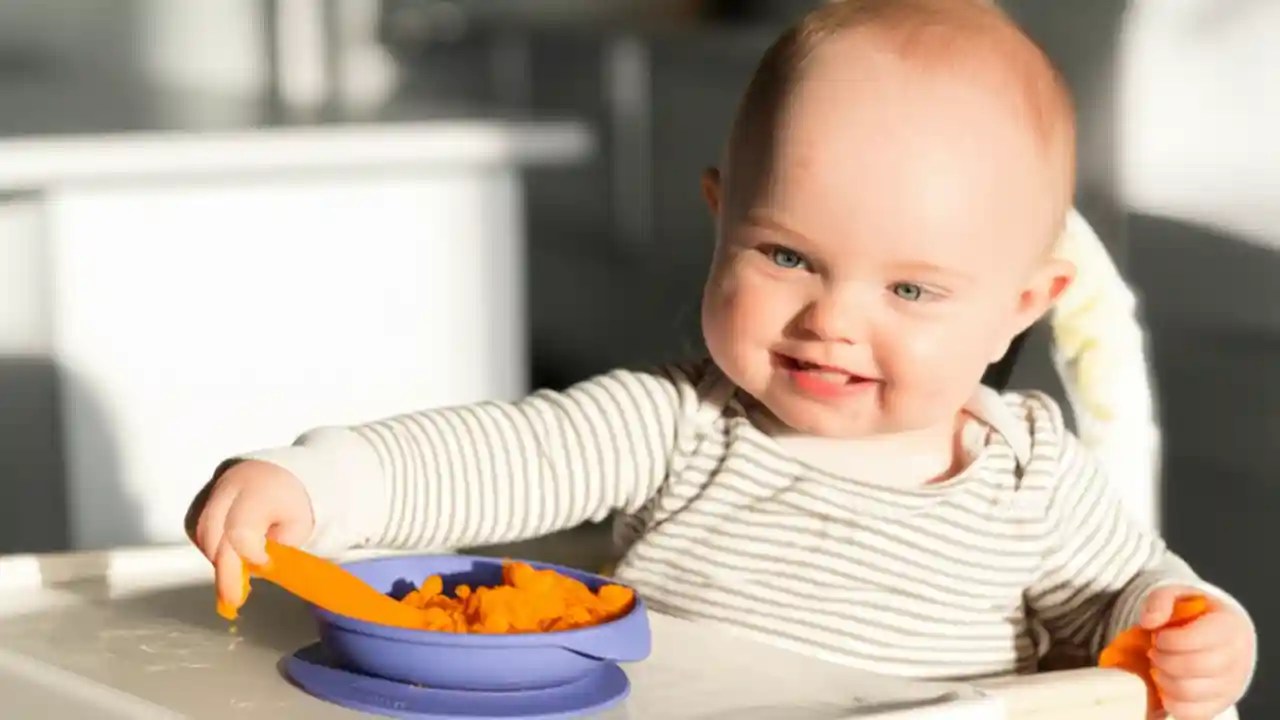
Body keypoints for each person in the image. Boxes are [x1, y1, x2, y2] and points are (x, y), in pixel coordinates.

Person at [186, 1, 1255, 717]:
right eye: (786, 254)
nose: (830, 319)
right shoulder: (684, 423)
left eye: (910, 290)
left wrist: (1192, 634)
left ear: (1021, 307)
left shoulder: (1029, 476)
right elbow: (494, 454)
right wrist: (316, 483)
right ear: (720, 217)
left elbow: (1128, 594)